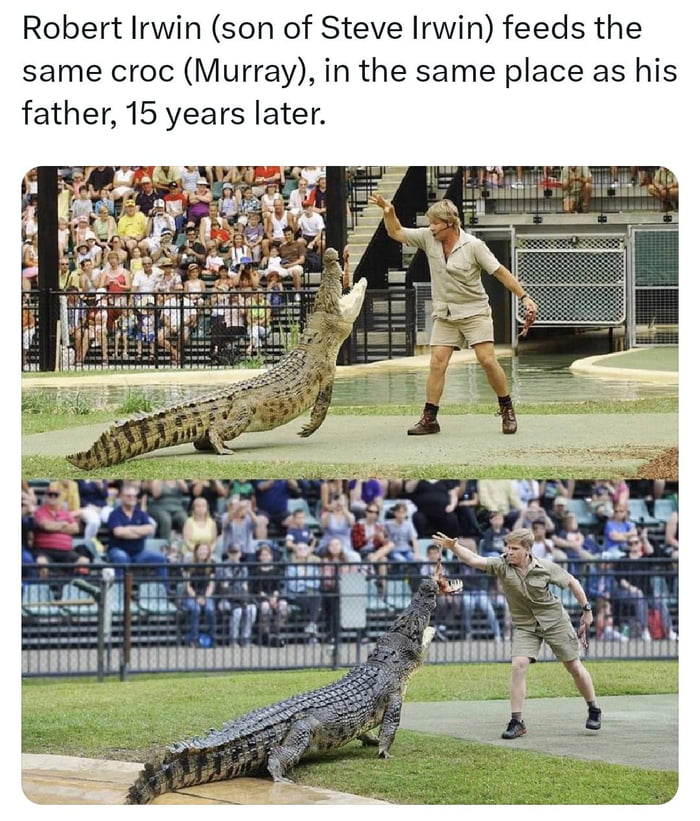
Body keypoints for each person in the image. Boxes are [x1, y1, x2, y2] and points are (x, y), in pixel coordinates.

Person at [370, 194, 537, 435]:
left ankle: (506, 408)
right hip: (445, 314)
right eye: (430, 223)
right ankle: (429, 419)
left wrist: (524, 297)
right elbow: (395, 232)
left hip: (475, 311)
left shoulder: (474, 246)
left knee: (487, 360)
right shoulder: (428, 238)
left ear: (450, 223)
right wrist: (389, 212)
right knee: (437, 362)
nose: (431, 227)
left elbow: (500, 273)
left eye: (435, 223)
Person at [432, 527, 601, 738]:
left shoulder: (545, 567)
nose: (509, 552)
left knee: (573, 666)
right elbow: (475, 560)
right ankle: (516, 721)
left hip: (554, 621)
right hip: (525, 625)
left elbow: (573, 582)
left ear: (527, 550)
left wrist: (587, 610)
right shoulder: (501, 565)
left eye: (514, 549)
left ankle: (594, 708)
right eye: (508, 547)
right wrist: (454, 547)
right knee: (518, 665)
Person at [106, 484, 167, 580]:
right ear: (121, 497)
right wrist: (139, 532)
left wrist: (128, 529)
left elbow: (150, 529)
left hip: (138, 552)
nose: (132, 498)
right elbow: (118, 533)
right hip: (118, 550)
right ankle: (120, 588)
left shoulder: (141, 513)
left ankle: (164, 588)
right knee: (121, 557)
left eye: (134, 496)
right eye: (128, 496)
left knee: (160, 558)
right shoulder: (114, 514)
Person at [31, 482, 87, 572]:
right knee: (41, 562)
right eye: (50, 494)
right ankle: (45, 581)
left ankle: (75, 580)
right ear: (45, 496)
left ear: (59, 498)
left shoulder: (65, 513)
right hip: (44, 550)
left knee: (83, 561)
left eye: (56, 495)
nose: (53, 497)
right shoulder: (39, 511)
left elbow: (75, 528)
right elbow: (45, 526)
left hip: (66, 551)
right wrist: (63, 524)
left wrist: (54, 526)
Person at [216, 545, 257, 647]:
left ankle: (245, 638)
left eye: (236, 552)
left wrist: (244, 599)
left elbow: (244, 586)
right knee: (237, 611)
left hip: (240, 597)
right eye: (232, 553)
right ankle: (233, 640)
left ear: (240, 554)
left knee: (252, 609)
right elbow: (223, 587)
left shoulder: (243, 567)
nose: (234, 555)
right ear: (228, 554)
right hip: (225, 599)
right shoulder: (222, 567)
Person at [181, 541, 217, 647]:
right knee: (195, 609)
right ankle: (194, 639)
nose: (203, 552)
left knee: (210, 609)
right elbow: (187, 585)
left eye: (205, 550)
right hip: (191, 594)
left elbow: (211, 584)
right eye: (201, 549)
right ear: (196, 551)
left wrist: (205, 597)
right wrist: (196, 597)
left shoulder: (212, 564)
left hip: (206, 594)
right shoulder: (189, 564)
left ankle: (212, 638)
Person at [285, 541, 323, 640]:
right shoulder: (291, 567)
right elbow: (293, 586)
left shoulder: (313, 566)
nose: (302, 551)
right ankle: (313, 627)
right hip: (294, 595)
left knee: (317, 597)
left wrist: (301, 581)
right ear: (295, 552)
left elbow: (316, 583)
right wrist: (307, 583)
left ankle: (312, 626)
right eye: (299, 549)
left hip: (310, 594)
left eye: (305, 549)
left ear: (308, 552)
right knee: (316, 603)